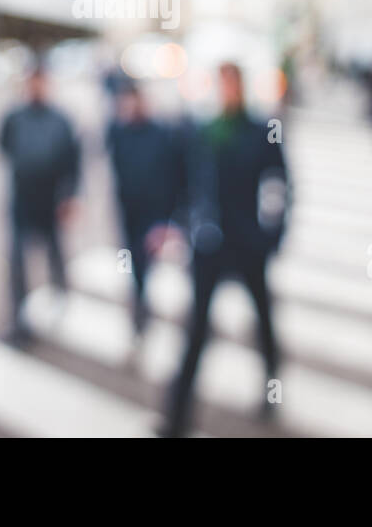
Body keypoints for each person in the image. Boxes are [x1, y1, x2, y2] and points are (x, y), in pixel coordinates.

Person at [161, 62, 290, 437]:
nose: (227, 91)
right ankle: (177, 418)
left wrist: (272, 236)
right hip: (209, 245)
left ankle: (271, 384)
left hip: (248, 245)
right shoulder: (203, 130)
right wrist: (181, 223)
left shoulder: (261, 129)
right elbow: (183, 182)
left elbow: (280, 183)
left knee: (263, 319)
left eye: (233, 84)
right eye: (222, 84)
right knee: (196, 330)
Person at [0, 64, 81, 345]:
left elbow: (73, 161)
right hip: (22, 201)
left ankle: (60, 295)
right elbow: (3, 147)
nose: (36, 87)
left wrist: (70, 196)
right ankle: (20, 321)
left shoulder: (61, 120)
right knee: (18, 262)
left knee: (55, 253)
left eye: (41, 82)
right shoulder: (14, 117)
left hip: (51, 201)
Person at [104, 81, 183, 337]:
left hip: (154, 211)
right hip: (129, 209)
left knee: (148, 258)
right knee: (135, 260)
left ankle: (145, 300)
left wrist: (168, 217)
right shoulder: (118, 131)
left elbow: (173, 175)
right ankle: (140, 303)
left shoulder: (161, 133)